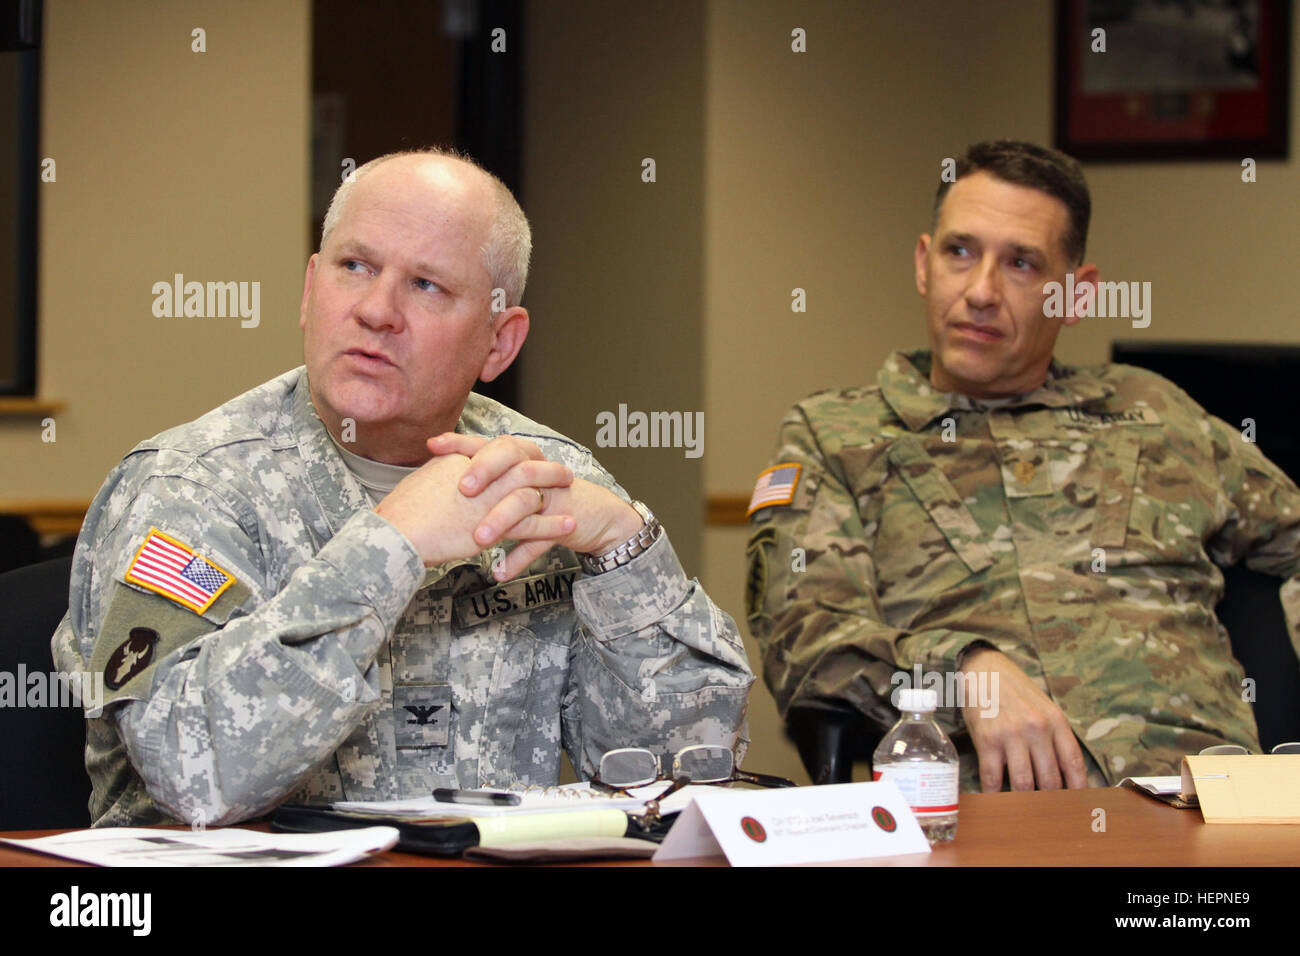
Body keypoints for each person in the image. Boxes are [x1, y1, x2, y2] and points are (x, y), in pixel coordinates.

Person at [53, 149, 753, 827]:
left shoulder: (540, 478)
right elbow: (191, 775)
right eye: (354, 267)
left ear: (499, 342)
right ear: (309, 290)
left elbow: (686, 775)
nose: (376, 310)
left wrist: (623, 546)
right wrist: (392, 545)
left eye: (426, 285)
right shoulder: (191, 484)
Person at [745, 140, 1300, 793]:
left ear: (1077, 293)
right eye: (960, 252)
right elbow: (801, 640)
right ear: (924, 264)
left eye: (1021, 264)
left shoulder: (1153, 411)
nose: (980, 291)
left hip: (1203, 804)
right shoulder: (836, 435)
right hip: (985, 816)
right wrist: (963, 670)